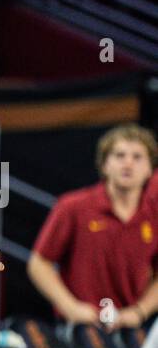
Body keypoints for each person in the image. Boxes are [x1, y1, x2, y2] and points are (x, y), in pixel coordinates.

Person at [29, 123, 158, 328]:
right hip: (79, 327)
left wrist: (140, 311)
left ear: (150, 169)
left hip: (131, 328)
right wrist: (70, 307)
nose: (128, 163)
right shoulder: (73, 206)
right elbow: (39, 263)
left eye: (137, 157)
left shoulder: (154, 214)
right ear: (105, 164)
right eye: (119, 155)